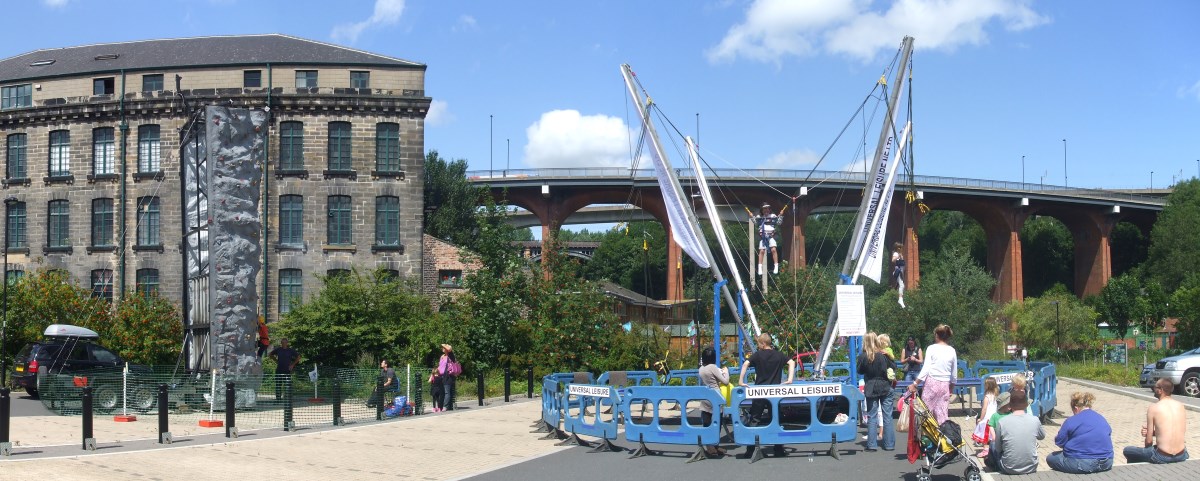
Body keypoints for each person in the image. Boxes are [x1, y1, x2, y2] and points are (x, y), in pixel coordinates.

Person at [739, 333, 795, 457]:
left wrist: (741, 381)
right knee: (776, 419)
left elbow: (745, 364)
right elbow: (791, 362)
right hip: (774, 392)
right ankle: (778, 448)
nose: (758, 346)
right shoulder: (779, 355)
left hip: (760, 391)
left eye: (759, 343)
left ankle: (750, 449)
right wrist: (790, 379)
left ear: (763, 343)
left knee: (755, 419)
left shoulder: (758, 355)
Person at [1123, 378, 1189, 464]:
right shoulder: (1181, 406)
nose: (1153, 389)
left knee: (1128, 450)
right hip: (1181, 454)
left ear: (1160, 390)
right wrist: (1155, 433)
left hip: (1162, 456)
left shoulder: (1153, 408)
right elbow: (1177, 432)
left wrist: (1148, 438)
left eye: (1155, 387)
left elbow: (1149, 442)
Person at [1047, 391, 1113, 473]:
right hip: (1107, 462)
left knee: (1051, 457)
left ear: (1076, 408)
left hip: (1082, 463)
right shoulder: (1101, 418)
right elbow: (1108, 433)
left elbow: (1059, 442)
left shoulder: (1071, 420)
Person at [906, 324, 957, 425]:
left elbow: (926, 370)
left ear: (937, 335)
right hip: (944, 385)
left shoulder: (931, 348)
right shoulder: (952, 350)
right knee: (942, 415)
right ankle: (942, 437)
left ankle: (926, 438)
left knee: (926, 414)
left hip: (932, 383)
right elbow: (954, 375)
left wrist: (915, 383)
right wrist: (951, 388)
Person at [986, 388, 1045, 474]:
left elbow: (998, 449)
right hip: (1031, 467)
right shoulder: (1035, 420)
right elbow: (1042, 436)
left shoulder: (1002, 422)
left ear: (1011, 405)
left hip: (1008, 468)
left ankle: (995, 467)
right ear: (1026, 405)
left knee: (993, 443)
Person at [857, 333, 896, 451]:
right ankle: (889, 444)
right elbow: (893, 367)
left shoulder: (864, 356)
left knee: (872, 417)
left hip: (871, 387)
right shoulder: (883, 355)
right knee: (887, 416)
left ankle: (872, 444)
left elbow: (859, 370)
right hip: (885, 385)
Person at [698, 346, 730, 456]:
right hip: (716, 397)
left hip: (706, 397)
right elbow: (725, 381)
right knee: (717, 422)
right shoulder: (713, 367)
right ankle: (712, 446)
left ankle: (712, 445)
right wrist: (726, 372)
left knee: (707, 422)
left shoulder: (701, 368)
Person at [978, 390, 1012, 458]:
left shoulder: (1011, 414)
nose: (1011, 406)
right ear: (1003, 405)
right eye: (1009, 404)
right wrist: (993, 436)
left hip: (1008, 436)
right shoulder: (995, 415)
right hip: (998, 437)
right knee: (994, 446)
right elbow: (990, 425)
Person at [752, 203, 781, 275]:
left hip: (771, 235)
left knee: (773, 249)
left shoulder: (772, 216)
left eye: (767, 208)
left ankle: (776, 266)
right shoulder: (759, 217)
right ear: (762, 210)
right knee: (762, 251)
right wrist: (752, 217)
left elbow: (779, 222)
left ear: (769, 209)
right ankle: (759, 267)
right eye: (764, 209)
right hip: (763, 236)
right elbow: (756, 223)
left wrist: (781, 216)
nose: (766, 210)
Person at [972, 378, 1000, 446]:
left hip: (987, 418)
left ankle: (985, 448)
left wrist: (981, 419)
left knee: (985, 434)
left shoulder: (987, 397)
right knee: (992, 434)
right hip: (994, 417)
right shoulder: (995, 396)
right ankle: (991, 447)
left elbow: (984, 409)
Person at [436, 344, 458, 412]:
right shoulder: (442, 356)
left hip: (448, 376)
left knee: (447, 392)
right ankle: (440, 406)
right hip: (441, 376)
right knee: (441, 392)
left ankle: (446, 406)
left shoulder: (450, 356)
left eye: (444, 347)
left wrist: (447, 347)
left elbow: (450, 351)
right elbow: (440, 366)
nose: (442, 348)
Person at [891, 242, 906, 308]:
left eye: (901, 247)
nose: (900, 249)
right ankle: (900, 299)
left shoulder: (900, 254)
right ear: (897, 248)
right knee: (902, 285)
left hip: (901, 272)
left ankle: (900, 298)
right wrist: (898, 256)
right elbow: (893, 260)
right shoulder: (896, 253)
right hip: (898, 271)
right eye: (899, 247)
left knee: (902, 286)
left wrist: (901, 257)